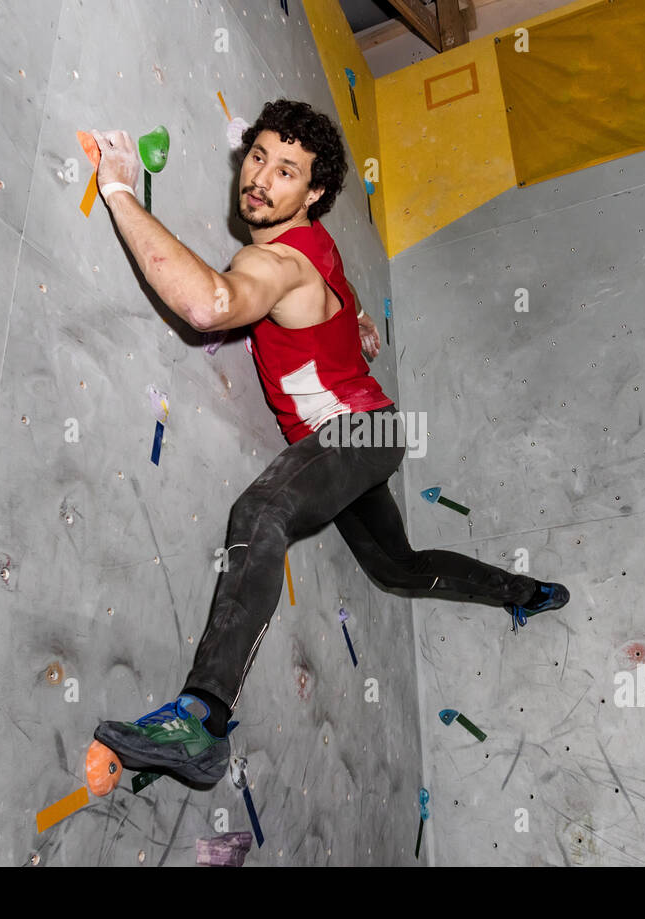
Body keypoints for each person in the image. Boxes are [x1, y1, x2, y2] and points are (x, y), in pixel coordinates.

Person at [87, 100, 568, 790]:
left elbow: (211, 307)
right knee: (397, 568)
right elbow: (333, 287)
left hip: (358, 433)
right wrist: (357, 320)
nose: (261, 179)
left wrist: (120, 190)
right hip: (365, 437)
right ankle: (522, 590)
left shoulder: (277, 260)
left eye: (287, 172)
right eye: (257, 158)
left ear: (312, 194)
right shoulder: (315, 247)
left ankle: (203, 720)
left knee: (261, 512)